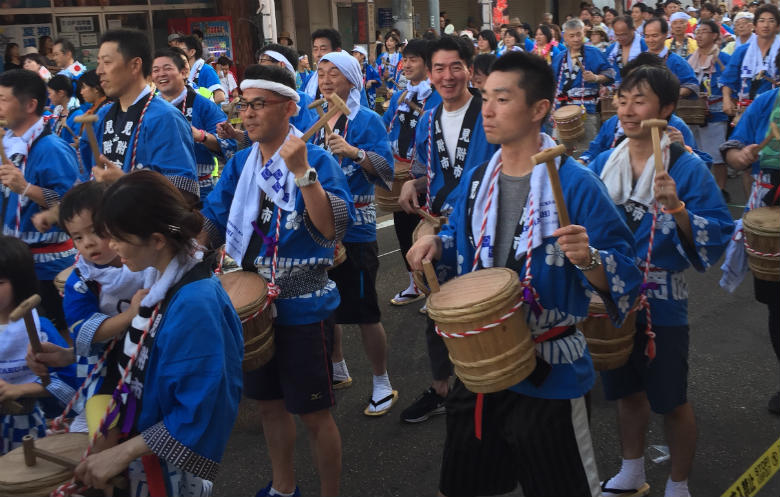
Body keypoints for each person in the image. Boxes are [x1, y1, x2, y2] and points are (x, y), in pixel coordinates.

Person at [406, 50, 642, 497]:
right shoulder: (478, 179)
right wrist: (436, 242)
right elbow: (461, 246)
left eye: (501, 99)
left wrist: (589, 258)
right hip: (479, 364)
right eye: (485, 97)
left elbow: (627, 276)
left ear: (539, 109)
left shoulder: (575, 182)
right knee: (466, 486)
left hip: (548, 370)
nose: (488, 111)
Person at [26, 170, 243, 495]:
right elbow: (147, 355)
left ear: (156, 240)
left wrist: (122, 452)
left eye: (117, 237)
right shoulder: (162, 279)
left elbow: (197, 407)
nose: (110, 246)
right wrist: (68, 356)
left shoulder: (195, 304)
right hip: (140, 437)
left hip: (158, 460)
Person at [200, 63, 353, 497]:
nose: (246, 114)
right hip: (251, 302)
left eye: (257, 105)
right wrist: (186, 247)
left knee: (314, 414)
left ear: (289, 107)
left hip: (302, 306)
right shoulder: (240, 165)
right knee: (268, 407)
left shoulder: (317, 158)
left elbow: (332, 229)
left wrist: (303, 172)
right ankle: (284, 487)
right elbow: (213, 217)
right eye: (242, 105)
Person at [589, 64, 733, 497]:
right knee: (626, 392)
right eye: (622, 99)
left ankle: (679, 482)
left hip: (662, 299)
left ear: (667, 109)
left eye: (641, 100)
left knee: (671, 398)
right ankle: (632, 469)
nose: (627, 110)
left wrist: (680, 210)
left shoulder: (686, 168)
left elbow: (720, 228)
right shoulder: (601, 162)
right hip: (614, 297)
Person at [397, 35, 498, 424]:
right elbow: (426, 172)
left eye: (456, 66)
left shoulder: (490, 111)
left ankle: (491, 382)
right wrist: (412, 183)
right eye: (439, 67)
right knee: (439, 310)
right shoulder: (428, 118)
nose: (447, 75)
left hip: (485, 226)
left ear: (470, 70)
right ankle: (442, 389)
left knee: (486, 308)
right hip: (442, 227)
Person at [310, 51, 398, 417]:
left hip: (358, 233)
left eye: (335, 74)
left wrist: (354, 152)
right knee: (325, 305)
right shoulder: (312, 118)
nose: (327, 80)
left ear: (352, 80)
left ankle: (382, 381)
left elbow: (387, 173)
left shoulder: (368, 120)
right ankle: (338, 367)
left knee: (365, 312)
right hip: (320, 230)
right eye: (321, 73)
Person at [55, 181, 149, 436]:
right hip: (108, 368)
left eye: (97, 231)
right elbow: (87, 332)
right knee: (108, 431)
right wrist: (131, 314)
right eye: (78, 237)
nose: (89, 243)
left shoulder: (147, 258)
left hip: (151, 359)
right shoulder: (81, 281)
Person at [720, 55, 780, 415]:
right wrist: (738, 154)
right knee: (777, 301)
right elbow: (733, 143)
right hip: (769, 206)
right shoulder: (766, 102)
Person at [0, 69, 79, 331]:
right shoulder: (10, 144)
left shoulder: (51, 148)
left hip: (49, 267)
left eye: (3, 99)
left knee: (55, 334)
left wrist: (26, 188)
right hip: (18, 262)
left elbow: (73, 205)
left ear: (30, 104)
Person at [85, 29, 199, 201]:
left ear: (135, 65)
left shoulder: (165, 117)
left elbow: (184, 191)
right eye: (98, 62)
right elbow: (89, 174)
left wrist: (125, 183)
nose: (99, 71)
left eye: (107, 62)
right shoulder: (102, 115)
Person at [0, 235, 73, 455]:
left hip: (28, 418)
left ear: (19, 282)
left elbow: (68, 384)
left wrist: (18, 389)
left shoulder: (36, 328)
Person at [383, 39, 442, 307]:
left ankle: (436, 289)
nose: (405, 64)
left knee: (429, 230)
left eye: (413, 60)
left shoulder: (438, 95)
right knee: (403, 229)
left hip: (427, 175)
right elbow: (386, 127)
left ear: (427, 64)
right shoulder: (400, 96)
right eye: (404, 60)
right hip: (400, 171)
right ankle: (413, 284)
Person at [152, 47, 235, 198]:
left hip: (198, 190)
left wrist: (201, 136)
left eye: (167, 68)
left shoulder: (203, 105)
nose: (160, 74)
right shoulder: (148, 108)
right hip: (157, 191)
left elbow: (229, 143)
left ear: (184, 72)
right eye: (155, 70)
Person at [551, 18, 614, 157]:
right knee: (562, 153)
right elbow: (552, 84)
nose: (576, 39)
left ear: (583, 33)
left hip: (586, 111)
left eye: (579, 34)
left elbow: (610, 74)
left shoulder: (593, 53)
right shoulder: (559, 58)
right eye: (571, 36)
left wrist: (596, 78)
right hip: (563, 111)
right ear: (564, 36)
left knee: (586, 152)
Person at [689, 19, 731, 199]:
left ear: (714, 35)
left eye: (704, 31)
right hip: (692, 112)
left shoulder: (723, 57)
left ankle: (720, 189)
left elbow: (730, 80)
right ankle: (702, 188)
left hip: (715, 111)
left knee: (716, 154)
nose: (699, 35)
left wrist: (718, 62)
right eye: (697, 32)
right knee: (695, 152)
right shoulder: (690, 58)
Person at [720, 4, 780, 118]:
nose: (766, 25)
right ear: (755, 26)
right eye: (762, 21)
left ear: (778, 26)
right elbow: (728, 79)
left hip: (775, 110)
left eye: (771, 21)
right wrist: (726, 100)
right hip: (746, 109)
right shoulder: (742, 51)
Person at [643, 17, 699, 97]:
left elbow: (691, 85)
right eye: (647, 36)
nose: (650, 40)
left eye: (654, 36)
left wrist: (670, 95)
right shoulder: (640, 60)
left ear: (665, 34)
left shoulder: (677, 61)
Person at [172, 35, 225, 104]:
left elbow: (220, 96)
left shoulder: (206, 70)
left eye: (181, 50)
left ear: (192, 52)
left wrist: (202, 109)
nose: (177, 53)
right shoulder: (182, 71)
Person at [606, 16, 648, 86]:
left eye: (624, 34)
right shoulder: (611, 49)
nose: (620, 38)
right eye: (617, 35)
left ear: (633, 29)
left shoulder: (644, 45)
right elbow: (607, 73)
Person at [46, 74, 82, 144]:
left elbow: (78, 145)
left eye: (50, 93)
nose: (49, 97)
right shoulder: (58, 111)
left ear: (61, 93)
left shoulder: (78, 115)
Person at [351, 45, 381, 110]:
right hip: (356, 96)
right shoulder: (352, 68)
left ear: (363, 56)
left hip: (368, 95)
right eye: (353, 54)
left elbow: (378, 79)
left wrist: (370, 81)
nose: (353, 55)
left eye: (356, 53)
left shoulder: (369, 68)